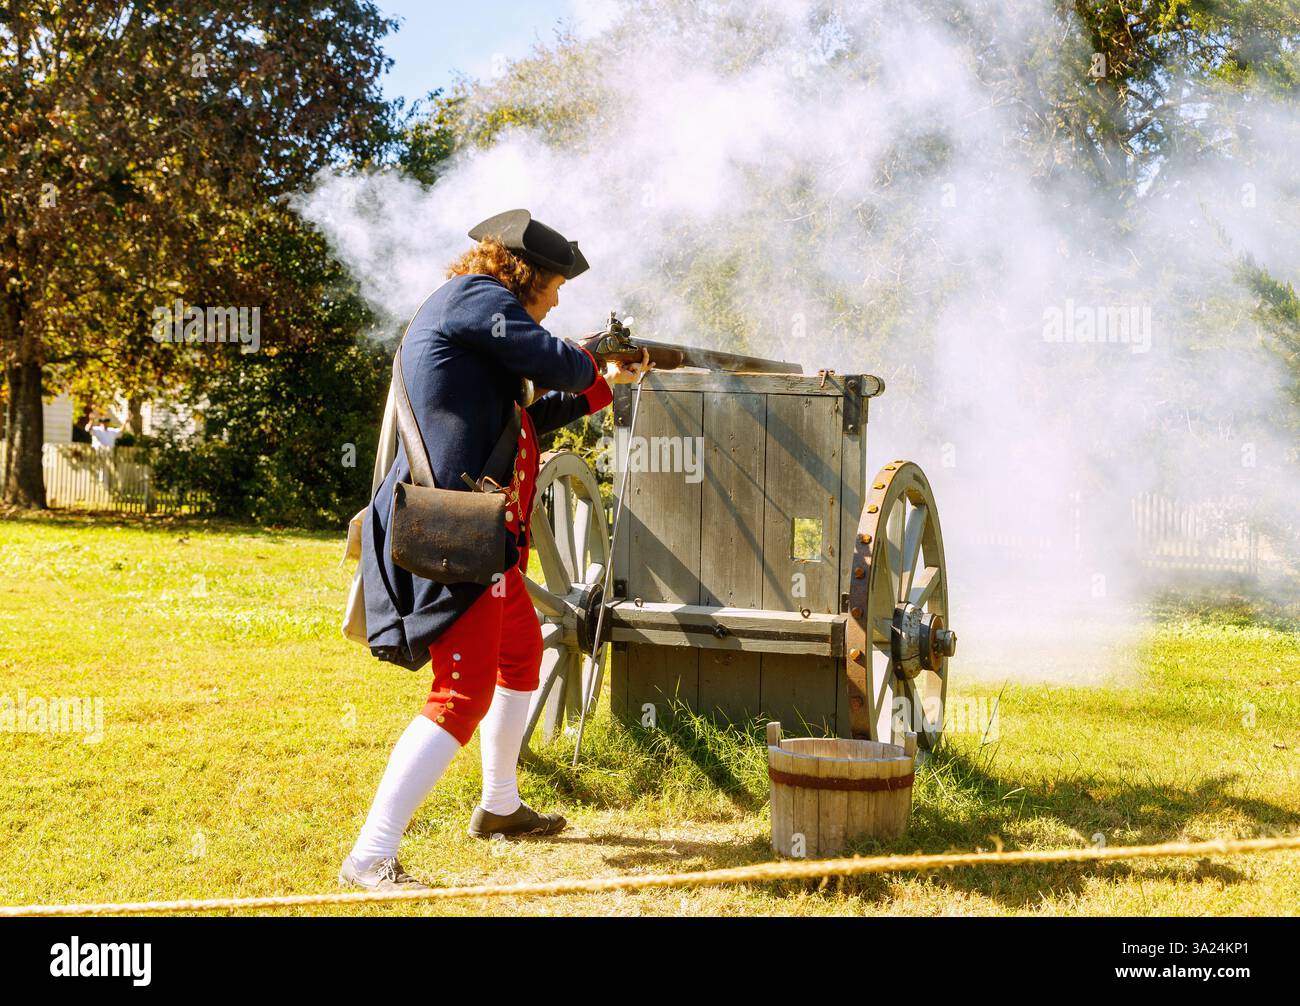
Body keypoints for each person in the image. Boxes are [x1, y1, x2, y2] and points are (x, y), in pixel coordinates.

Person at [340, 209, 650, 890]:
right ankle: (370, 855)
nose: (559, 297)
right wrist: (593, 354)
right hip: (452, 532)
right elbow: (555, 360)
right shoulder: (479, 300)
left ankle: (500, 805)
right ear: (525, 275)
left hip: (483, 533)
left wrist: (604, 384)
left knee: (518, 657)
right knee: (462, 694)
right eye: (557, 284)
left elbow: (527, 422)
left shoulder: (484, 321)